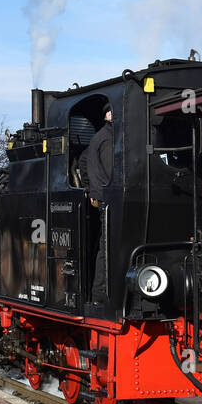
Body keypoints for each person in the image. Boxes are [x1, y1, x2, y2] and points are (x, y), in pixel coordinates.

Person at [78, 105, 114, 303]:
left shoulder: (98, 137)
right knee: (109, 246)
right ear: (108, 115)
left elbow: (83, 161)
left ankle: (100, 292)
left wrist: (91, 188)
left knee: (105, 244)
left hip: (101, 196)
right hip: (109, 197)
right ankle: (101, 293)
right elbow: (111, 172)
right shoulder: (108, 139)